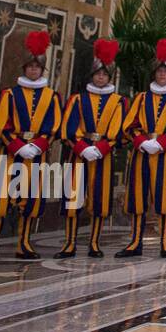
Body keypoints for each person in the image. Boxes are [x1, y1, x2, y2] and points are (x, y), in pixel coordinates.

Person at [0, 31, 62, 262]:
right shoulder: (9, 94)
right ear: (24, 68)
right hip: (11, 153)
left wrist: (37, 145)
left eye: (37, 67)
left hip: (36, 155)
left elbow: (53, 125)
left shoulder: (51, 97)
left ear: (42, 70)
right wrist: (17, 145)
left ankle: (24, 242)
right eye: (30, 67)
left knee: (30, 200)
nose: (33, 70)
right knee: (0, 199)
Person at [117, 39, 166, 258]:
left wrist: (160, 143)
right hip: (142, 153)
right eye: (159, 70)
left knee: (165, 198)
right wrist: (142, 142)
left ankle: (165, 242)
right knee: (138, 198)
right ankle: (135, 241)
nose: (162, 74)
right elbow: (130, 125)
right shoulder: (142, 98)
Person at [57, 38, 125, 258]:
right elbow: (68, 129)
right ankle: (69, 242)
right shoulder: (78, 99)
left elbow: (118, 130)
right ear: (92, 76)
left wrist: (103, 147)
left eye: (104, 74)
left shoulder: (117, 101)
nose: (101, 77)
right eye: (98, 74)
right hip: (79, 153)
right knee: (73, 198)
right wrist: (81, 146)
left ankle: (94, 242)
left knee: (99, 200)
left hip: (103, 156)